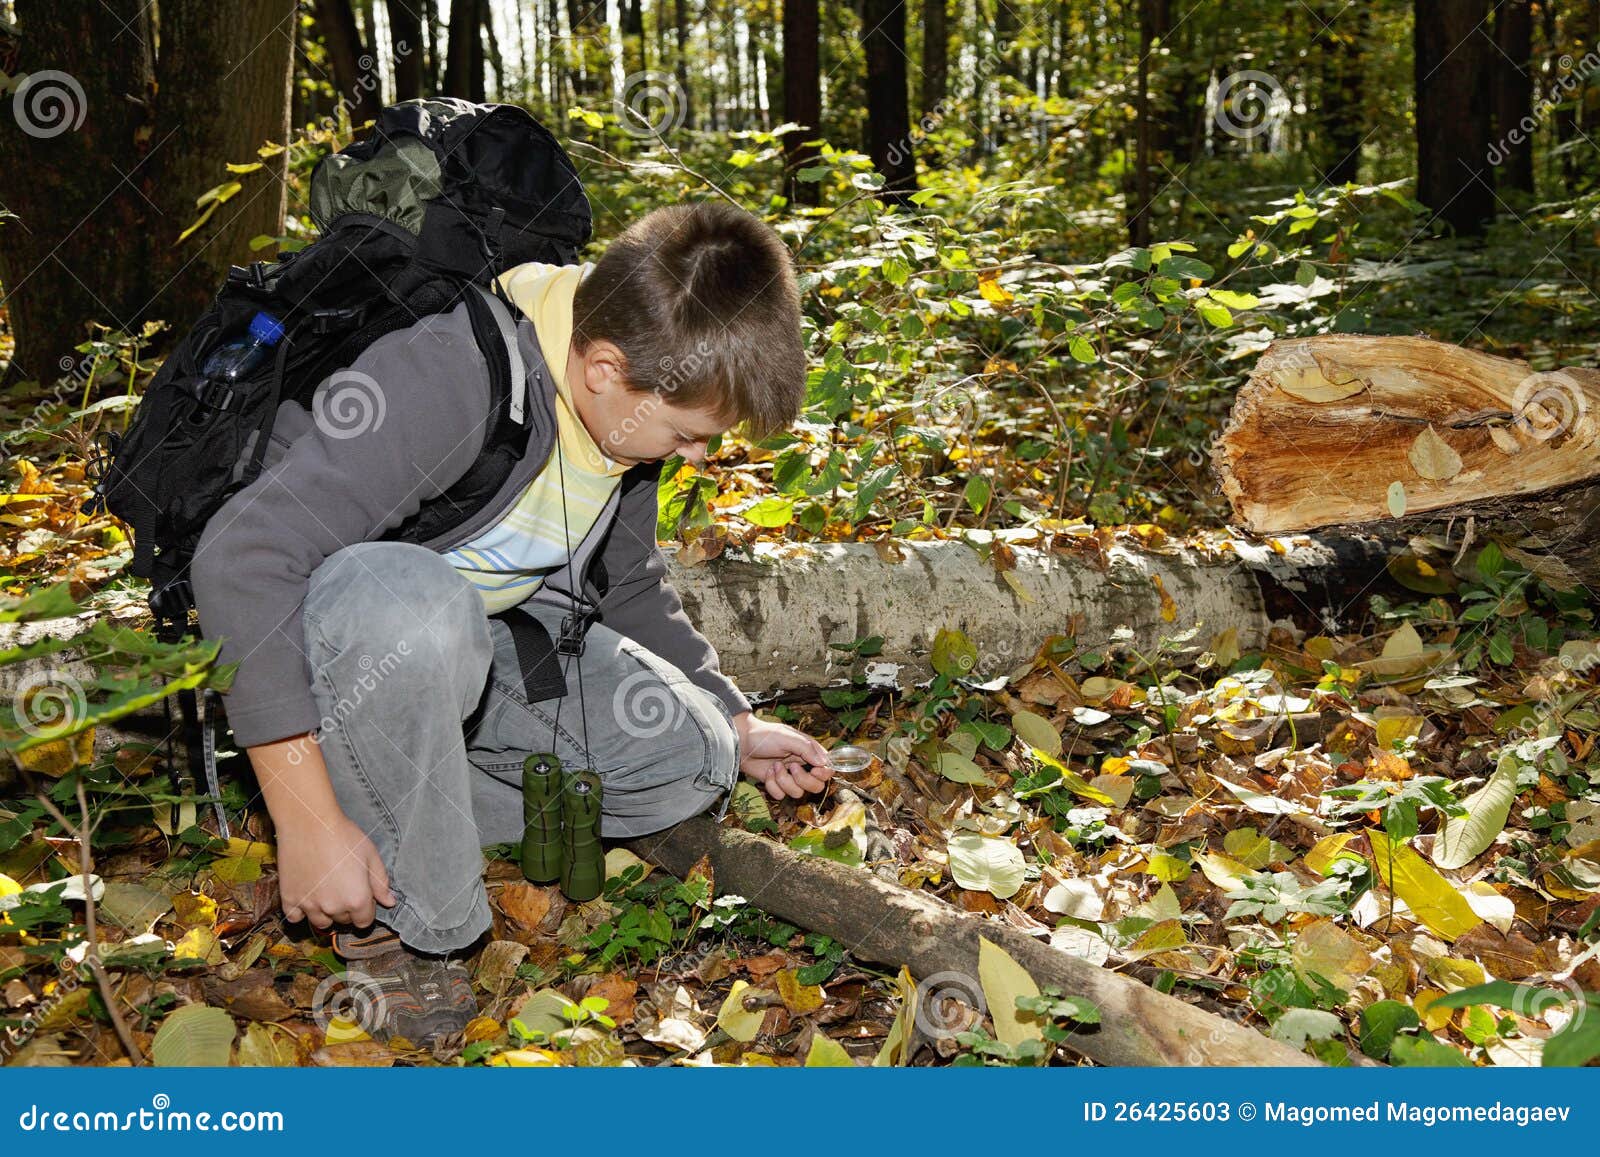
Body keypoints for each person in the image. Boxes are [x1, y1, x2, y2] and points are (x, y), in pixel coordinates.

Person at [191, 201, 835, 1046]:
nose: (695, 458)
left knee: (692, 757)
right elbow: (239, 560)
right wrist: (306, 816)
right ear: (604, 368)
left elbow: (629, 581)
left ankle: (407, 806)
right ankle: (406, 922)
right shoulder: (450, 377)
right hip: (348, 641)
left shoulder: (622, 419)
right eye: (687, 435)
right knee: (419, 613)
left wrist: (737, 717)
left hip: (476, 649)